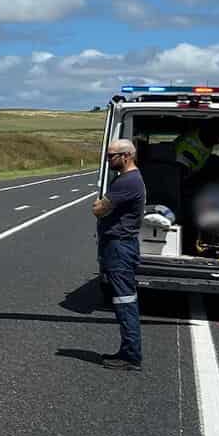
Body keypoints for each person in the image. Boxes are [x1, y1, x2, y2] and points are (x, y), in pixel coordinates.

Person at [91, 138, 145, 369]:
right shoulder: (128, 179)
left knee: (124, 301)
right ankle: (128, 350)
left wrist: (99, 205)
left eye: (111, 156)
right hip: (121, 245)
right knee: (125, 299)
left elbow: (99, 209)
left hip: (119, 247)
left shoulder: (127, 182)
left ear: (126, 156)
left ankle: (131, 355)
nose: (108, 160)